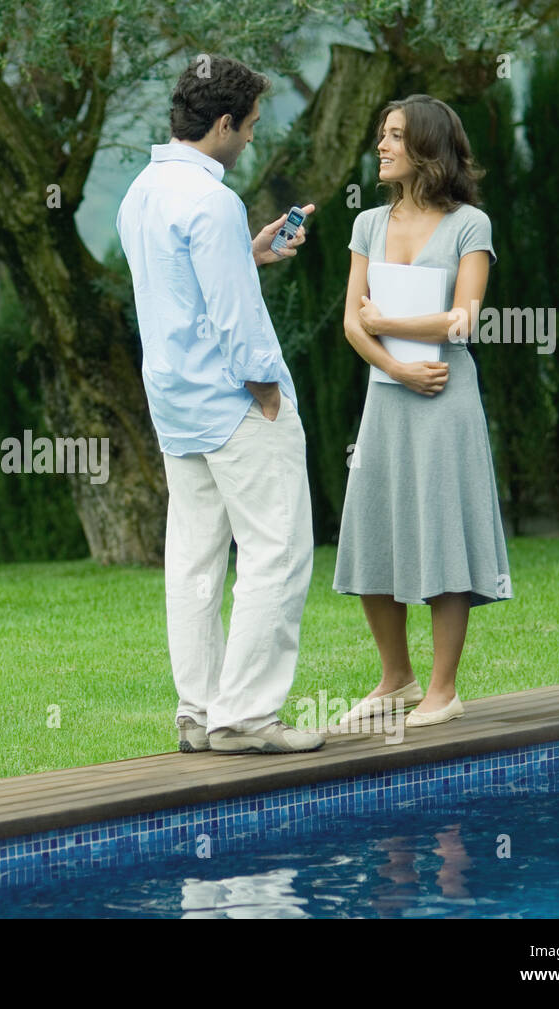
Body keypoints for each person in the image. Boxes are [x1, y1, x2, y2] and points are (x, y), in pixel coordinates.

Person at [115, 54, 323, 755]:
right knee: (277, 550)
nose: (253, 139)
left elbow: (181, 289)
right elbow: (234, 317)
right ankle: (247, 717)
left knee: (195, 559)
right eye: (252, 126)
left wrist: (249, 250)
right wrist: (267, 386)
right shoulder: (211, 201)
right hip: (236, 405)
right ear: (225, 124)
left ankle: (201, 714)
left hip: (174, 406)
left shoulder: (140, 193)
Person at [332, 94, 512, 730]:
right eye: (381, 135)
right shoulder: (367, 226)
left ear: (428, 148)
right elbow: (355, 323)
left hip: (445, 398)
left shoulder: (471, 224)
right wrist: (396, 365)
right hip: (390, 395)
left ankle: (443, 689)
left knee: (441, 532)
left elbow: (465, 318)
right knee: (373, 528)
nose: (382, 146)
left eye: (396, 136)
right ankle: (396, 678)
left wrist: (395, 326)